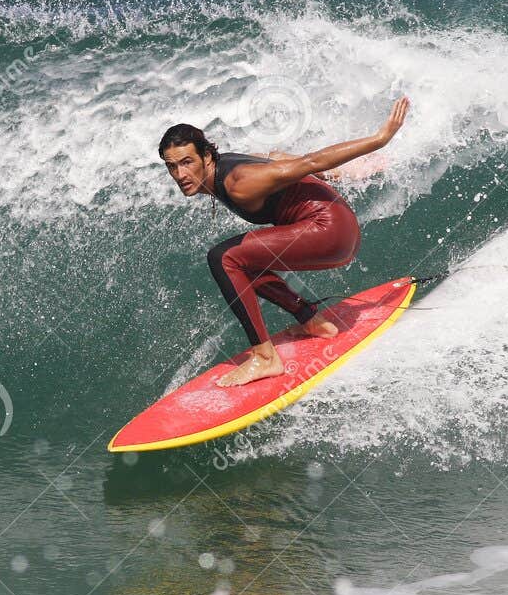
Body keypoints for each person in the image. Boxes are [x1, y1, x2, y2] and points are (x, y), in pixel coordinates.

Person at [158, 95, 410, 387]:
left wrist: (380, 139)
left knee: (224, 257)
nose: (180, 174)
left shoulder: (239, 182)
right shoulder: (226, 170)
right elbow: (278, 157)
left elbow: (309, 162)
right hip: (336, 226)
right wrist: (346, 174)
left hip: (330, 231)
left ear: (206, 156)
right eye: (172, 166)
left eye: (187, 162)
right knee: (242, 261)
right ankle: (313, 321)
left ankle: (265, 358)